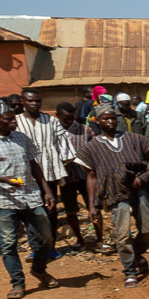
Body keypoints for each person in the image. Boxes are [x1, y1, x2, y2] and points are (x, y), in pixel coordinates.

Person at [0, 99, 56, 299]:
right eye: (8, 119)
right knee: (8, 243)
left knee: (46, 237)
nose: (14, 122)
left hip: (30, 197)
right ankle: (17, 282)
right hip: (1, 199)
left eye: (14, 118)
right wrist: (3, 180)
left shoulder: (21, 138)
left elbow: (34, 165)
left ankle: (39, 270)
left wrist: (46, 190)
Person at [73, 100, 149, 286]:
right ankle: (129, 271)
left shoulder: (132, 138)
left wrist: (143, 177)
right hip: (113, 192)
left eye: (113, 118)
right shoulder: (92, 146)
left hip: (138, 188)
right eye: (106, 119)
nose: (111, 122)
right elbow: (91, 176)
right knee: (122, 234)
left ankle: (136, 254)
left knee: (148, 227)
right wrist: (92, 206)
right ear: (97, 121)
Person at [13, 88, 77, 256]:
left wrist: (62, 163)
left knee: (51, 209)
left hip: (49, 171)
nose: (34, 104)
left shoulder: (51, 120)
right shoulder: (16, 122)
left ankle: (51, 246)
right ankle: (36, 248)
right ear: (23, 102)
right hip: (26, 172)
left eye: (37, 101)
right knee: (31, 211)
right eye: (30, 101)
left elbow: (63, 141)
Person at [52, 102, 94, 249]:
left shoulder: (85, 130)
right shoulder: (53, 132)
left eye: (71, 118)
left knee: (93, 206)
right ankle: (80, 240)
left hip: (86, 176)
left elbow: (96, 147)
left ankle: (99, 239)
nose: (68, 121)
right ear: (57, 116)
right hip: (66, 178)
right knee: (71, 210)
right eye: (65, 118)